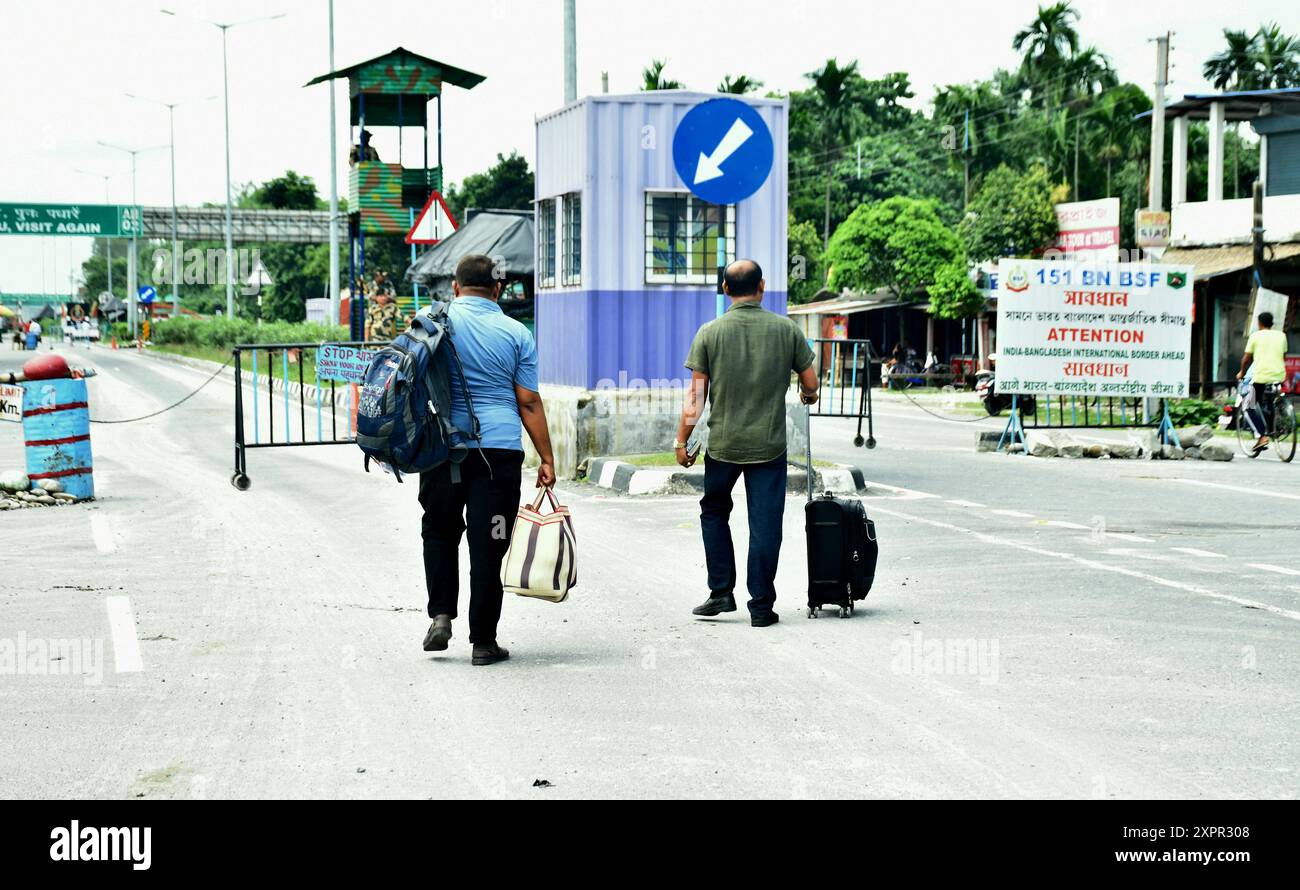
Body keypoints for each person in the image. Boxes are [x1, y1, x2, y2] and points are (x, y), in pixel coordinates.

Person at [419, 254, 556, 665]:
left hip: (441, 450)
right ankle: (483, 641)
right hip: (497, 455)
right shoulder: (516, 332)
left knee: (440, 531)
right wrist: (546, 458)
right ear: (498, 290)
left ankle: (441, 616)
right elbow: (528, 401)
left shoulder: (429, 321)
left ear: (455, 287)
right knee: (490, 542)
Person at [675, 259, 819, 627]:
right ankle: (761, 607)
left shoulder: (709, 332)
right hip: (769, 446)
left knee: (714, 512)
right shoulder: (786, 330)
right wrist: (807, 394)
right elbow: (812, 381)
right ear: (762, 287)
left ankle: (721, 591)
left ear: (725, 289)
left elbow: (697, 396)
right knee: (766, 523)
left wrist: (681, 440)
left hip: (723, 445)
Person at [1238, 311, 1289, 455]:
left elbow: (1246, 359)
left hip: (1260, 377)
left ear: (1259, 323)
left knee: (1248, 405)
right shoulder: (1282, 336)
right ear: (1272, 323)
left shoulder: (1255, 336)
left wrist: (1241, 372)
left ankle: (1262, 436)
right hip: (1279, 375)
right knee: (1272, 399)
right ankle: (1278, 423)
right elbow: (1283, 356)